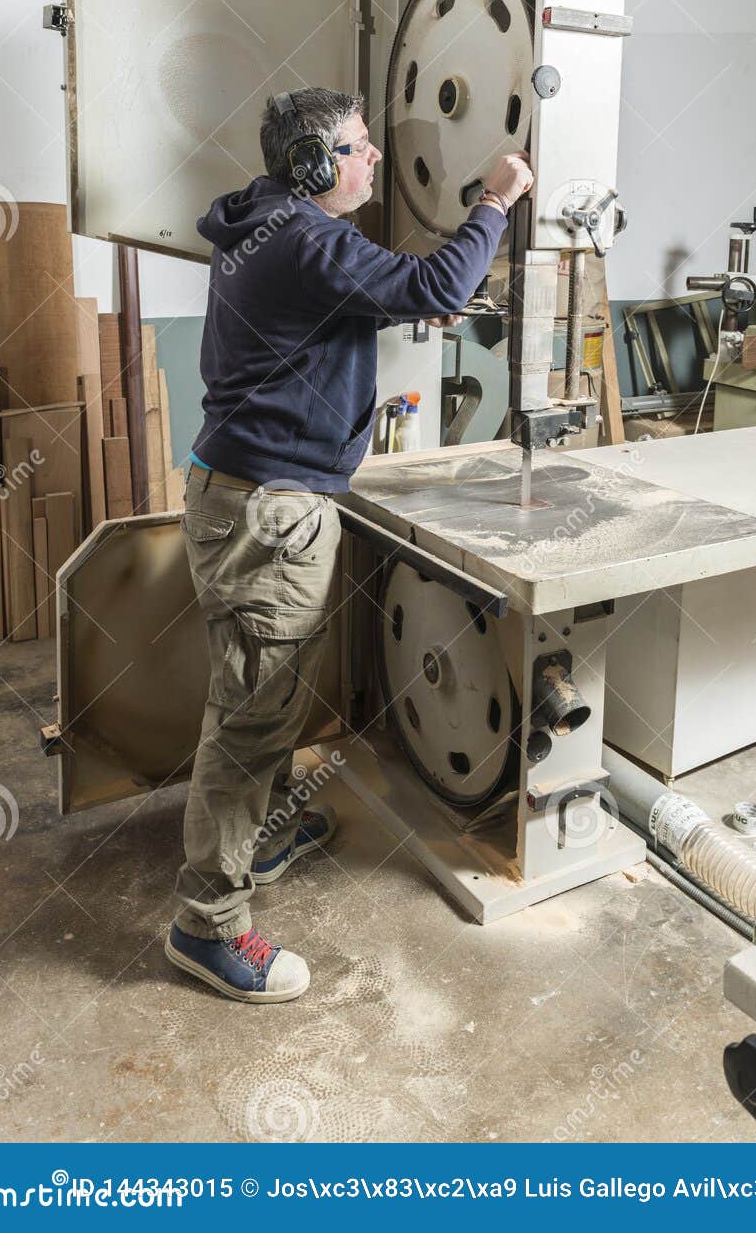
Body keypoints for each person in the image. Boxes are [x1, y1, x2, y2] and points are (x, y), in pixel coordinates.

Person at [165, 85, 533, 1002]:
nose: (374, 159)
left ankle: (253, 843)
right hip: (269, 508)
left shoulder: (270, 223)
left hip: (250, 494)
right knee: (250, 721)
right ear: (315, 166)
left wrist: (407, 300)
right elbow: (440, 283)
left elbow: (344, 304)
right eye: (361, 148)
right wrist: (494, 202)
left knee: (267, 697)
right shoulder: (302, 237)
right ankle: (206, 925)